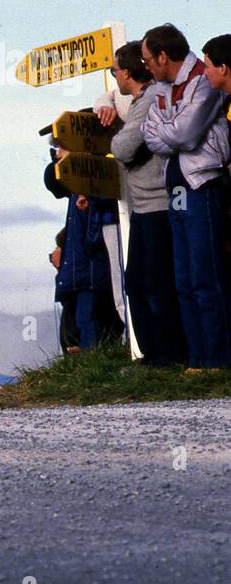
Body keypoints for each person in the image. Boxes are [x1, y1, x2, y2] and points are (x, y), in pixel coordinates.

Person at [141, 23, 231, 371]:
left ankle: (217, 356)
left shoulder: (203, 80)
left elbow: (187, 134)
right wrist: (172, 131)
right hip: (176, 185)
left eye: (149, 58)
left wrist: (170, 129)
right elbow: (154, 136)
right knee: (184, 277)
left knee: (204, 272)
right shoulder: (162, 87)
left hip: (200, 183)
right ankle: (198, 358)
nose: (146, 64)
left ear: (164, 56)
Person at [107, 40, 186, 366]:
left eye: (114, 72)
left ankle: (164, 356)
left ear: (127, 72)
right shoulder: (145, 99)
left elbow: (124, 148)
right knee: (141, 281)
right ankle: (156, 355)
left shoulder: (149, 99)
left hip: (154, 204)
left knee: (151, 283)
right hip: (145, 205)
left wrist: (117, 136)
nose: (114, 78)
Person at [45, 149, 120, 350]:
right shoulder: (77, 184)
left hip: (90, 270)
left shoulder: (95, 181)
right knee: (79, 327)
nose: (59, 154)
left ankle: (95, 368)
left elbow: (94, 233)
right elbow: (51, 179)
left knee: (91, 327)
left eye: (62, 147)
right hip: (80, 271)